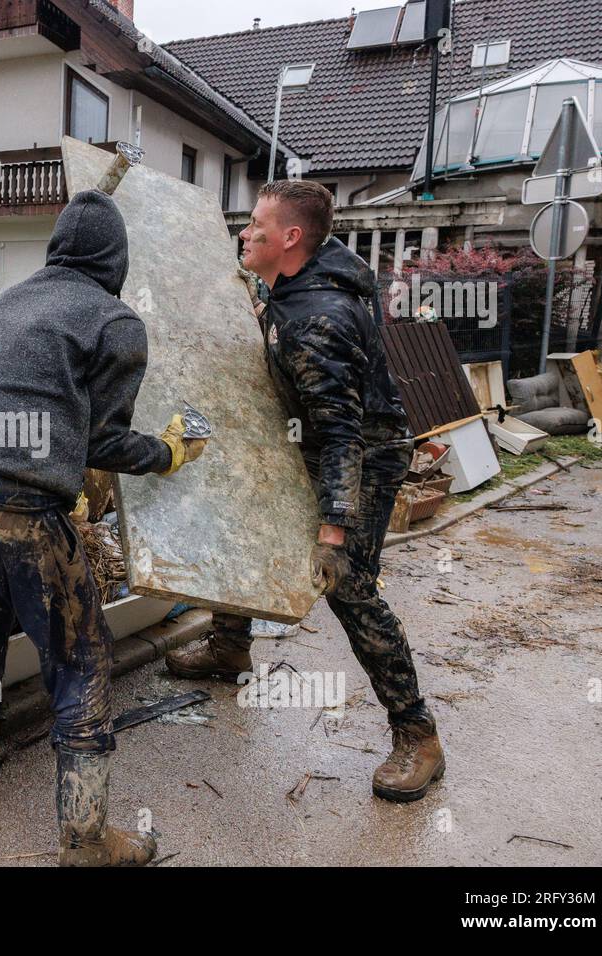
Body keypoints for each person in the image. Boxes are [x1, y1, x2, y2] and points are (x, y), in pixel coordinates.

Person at [0, 190, 207, 866]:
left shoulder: (11, 300)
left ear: (56, 249)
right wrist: (166, 452)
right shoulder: (115, 320)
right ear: (118, 260)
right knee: (80, 660)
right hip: (17, 508)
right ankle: (85, 842)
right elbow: (104, 444)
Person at [166, 179, 446, 803]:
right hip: (316, 440)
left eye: (256, 229)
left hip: (363, 456)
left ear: (290, 239)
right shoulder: (300, 282)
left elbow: (344, 433)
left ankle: (417, 734)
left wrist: (332, 530)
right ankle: (230, 646)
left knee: (348, 585)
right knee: (246, 522)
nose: (244, 234)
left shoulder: (316, 319)